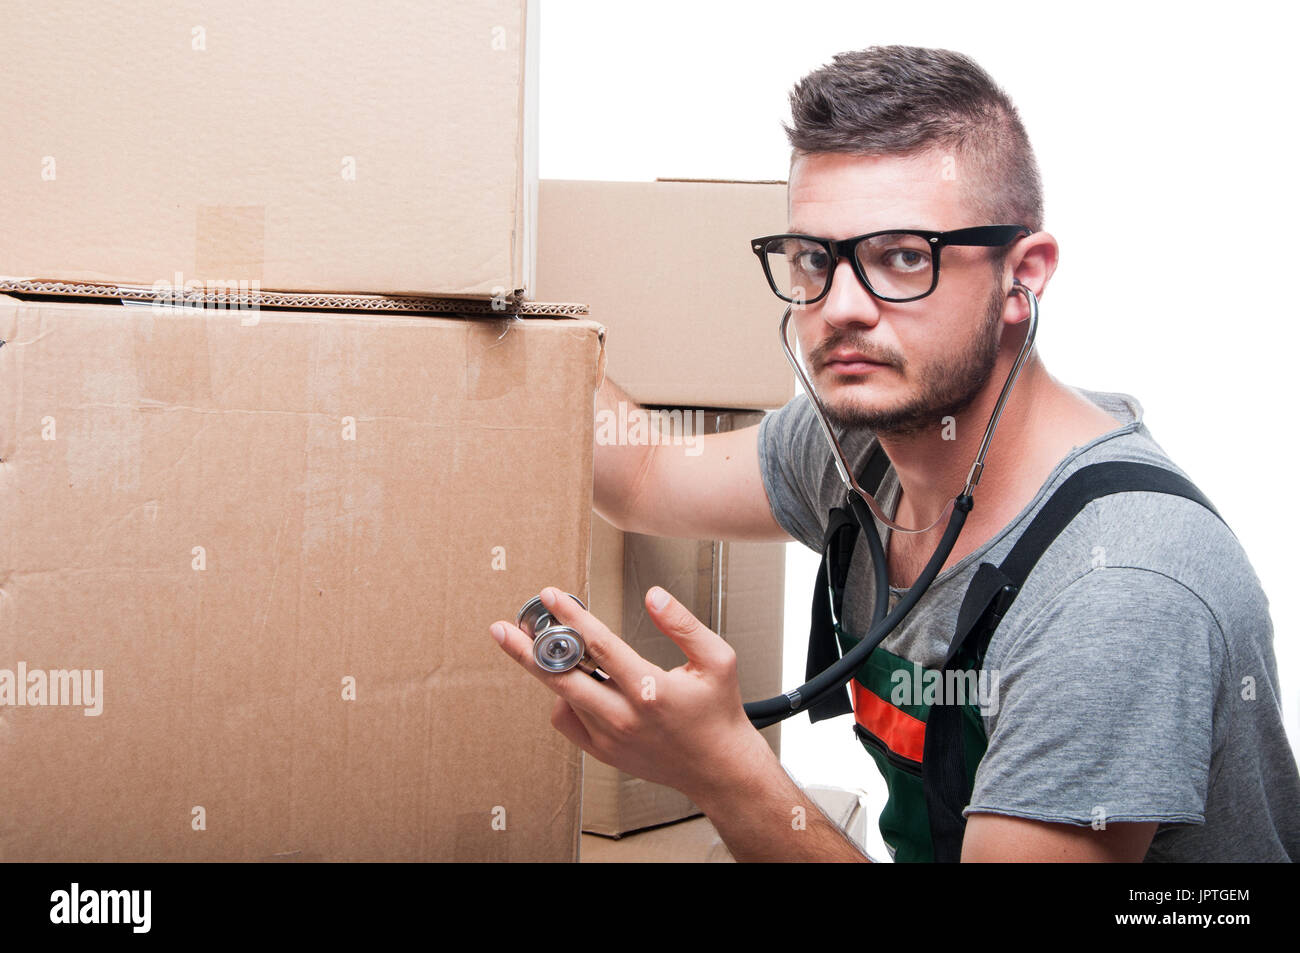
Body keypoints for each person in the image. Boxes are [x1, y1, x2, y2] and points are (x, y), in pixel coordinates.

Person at [490, 45, 1300, 861]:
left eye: (903, 257)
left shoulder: (1118, 591)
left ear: (1023, 277)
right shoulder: (858, 446)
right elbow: (642, 474)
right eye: (815, 259)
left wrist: (720, 770)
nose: (841, 308)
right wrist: (477, 272)